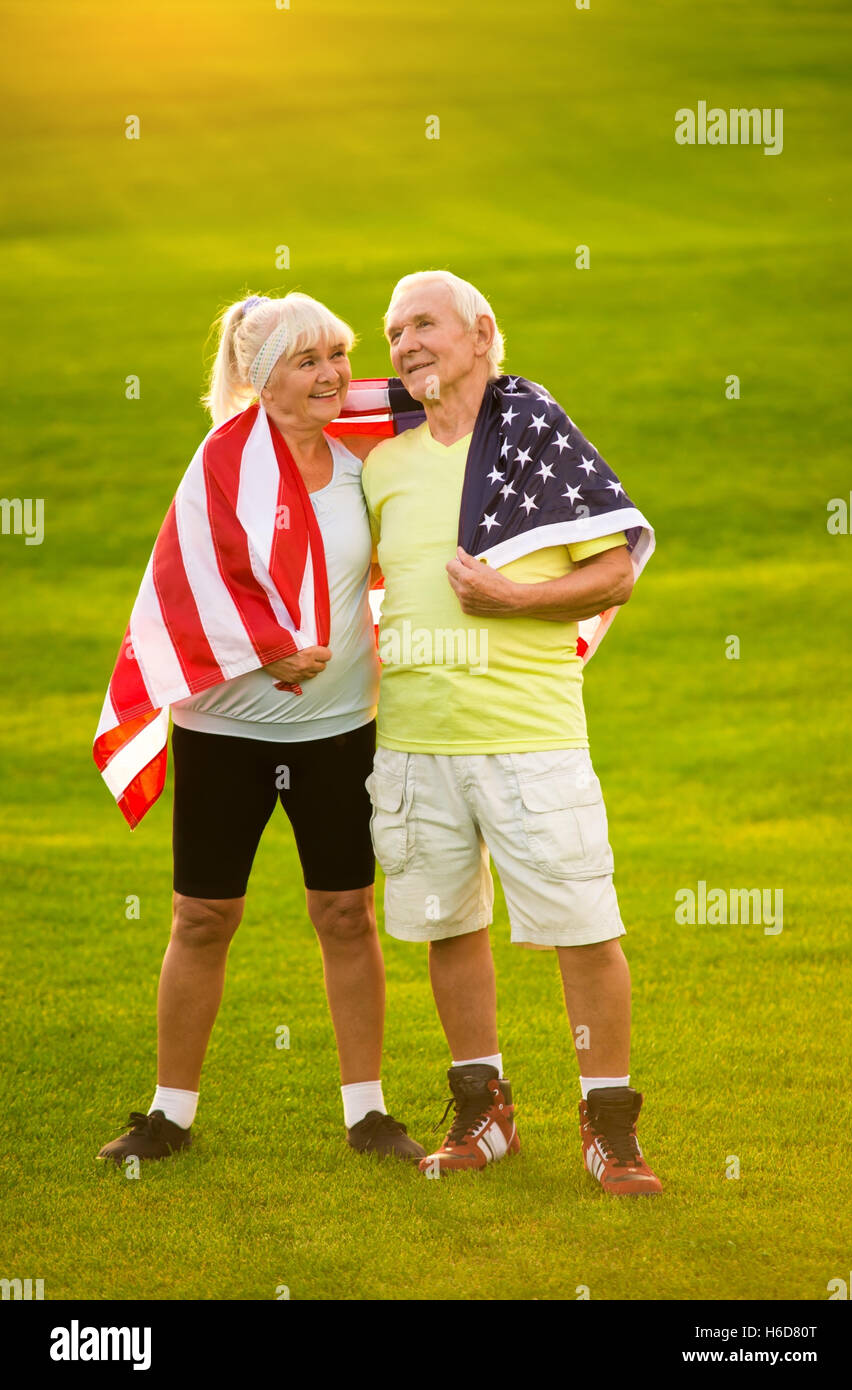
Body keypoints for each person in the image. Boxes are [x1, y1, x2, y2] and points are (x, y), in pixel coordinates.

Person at [96, 292, 424, 1167]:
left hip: (337, 731)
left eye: (337, 355)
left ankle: (368, 1113)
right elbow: (190, 583)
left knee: (346, 913)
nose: (331, 376)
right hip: (225, 735)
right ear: (258, 376)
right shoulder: (219, 465)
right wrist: (270, 648)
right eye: (307, 360)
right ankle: (168, 1114)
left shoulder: (368, 462)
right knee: (202, 917)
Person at [361, 270, 662, 1192]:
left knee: (582, 926)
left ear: (481, 331)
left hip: (530, 738)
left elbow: (614, 573)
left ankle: (609, 1126)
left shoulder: (532, 442)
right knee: (446, 925)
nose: (405, 344)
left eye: (423, 324)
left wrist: (510, 597)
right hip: (414, 742)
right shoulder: (380, 465)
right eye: (392, 332)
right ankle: (483, 1111)